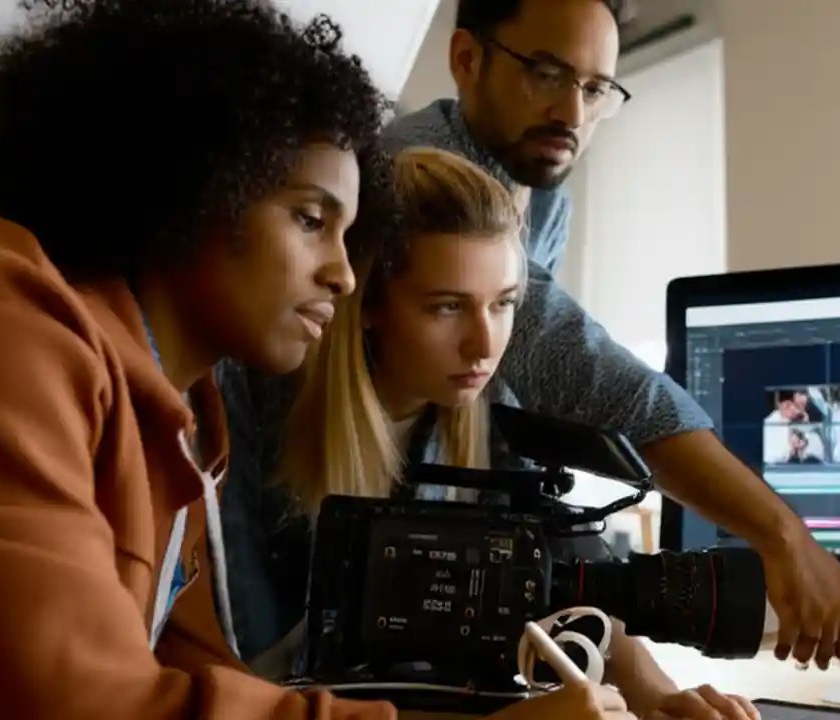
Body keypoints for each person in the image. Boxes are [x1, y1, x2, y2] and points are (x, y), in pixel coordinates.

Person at [0, 2, 405, 717]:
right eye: (312, 220)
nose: (344, 276)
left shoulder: (179, 416)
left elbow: (185, 666)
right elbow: (87, 701)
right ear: (192, 183)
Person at [385, 0, 840, 668]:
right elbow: (576, 364)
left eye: (596, 88)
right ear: (466, 59)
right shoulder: (405, 175)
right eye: (546, 72)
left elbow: (515, 448)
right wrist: (783, 537)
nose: (573, 114)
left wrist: (648, 686)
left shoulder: (540, 201)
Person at [221, 146, 760, 720]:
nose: (484, 345)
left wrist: (657, 694)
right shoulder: (255, 409)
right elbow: (241, 673)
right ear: (368, 301)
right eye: (447, 308)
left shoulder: (487, 404)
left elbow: (571, 563)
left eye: (503, 304)